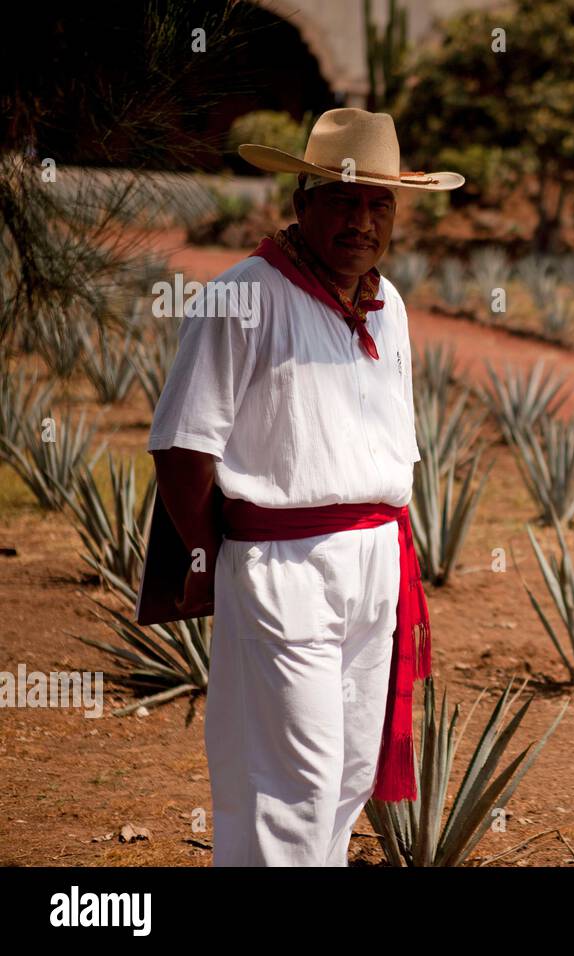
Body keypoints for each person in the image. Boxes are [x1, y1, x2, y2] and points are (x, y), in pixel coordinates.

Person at [141, 108, 464, 865]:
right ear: (301, 201)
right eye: (343, 200)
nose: (362, 220)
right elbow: (183, 447)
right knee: (288, 785)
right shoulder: (241, 297)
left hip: (376, 564)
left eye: (378, 203)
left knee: (347, 774)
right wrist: (206, 556)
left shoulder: (391, 308)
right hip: (281, 569)